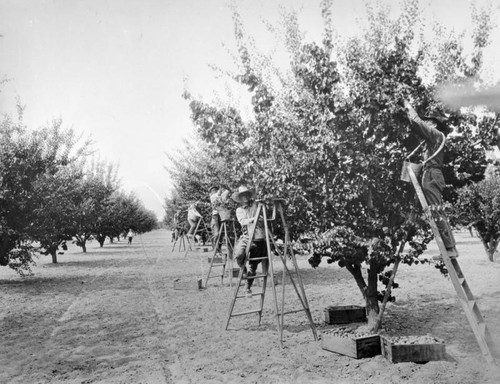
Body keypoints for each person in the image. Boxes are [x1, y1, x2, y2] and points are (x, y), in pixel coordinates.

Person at [403, 100, 458, 257]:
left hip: (432, 174)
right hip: (431, 174)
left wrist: (408, 106)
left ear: (434, 124)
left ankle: (450, 248)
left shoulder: (435, 135)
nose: (426, 123)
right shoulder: (432, 139)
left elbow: (416, 122)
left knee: (436, 211)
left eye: (428, 121)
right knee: (435, 211)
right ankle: (450, 247)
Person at [232, 185, 268, 298]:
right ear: (240, 198)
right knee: (238, 254)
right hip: (247, 236)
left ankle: (247, 288)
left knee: (253, 266)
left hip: (258, 236)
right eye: (243, 196)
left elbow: (263, 213)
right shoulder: (239, 210)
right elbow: (242, 221)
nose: (245, 197)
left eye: (247, 195)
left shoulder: (256, 205)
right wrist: (253, 219)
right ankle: (242, 268)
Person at [209, 185, 231, 250]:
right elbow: (218, 195)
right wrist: (221, 188)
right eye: (213, 190)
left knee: (221, 233)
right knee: (216, 233)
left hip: (221, 216)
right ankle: (215, 246)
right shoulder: (212, 196)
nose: (214, 191)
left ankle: (218, 248)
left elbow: (224, 197)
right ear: (211, 192)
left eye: (215, 190)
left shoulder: (219, 197)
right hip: (215, 216)